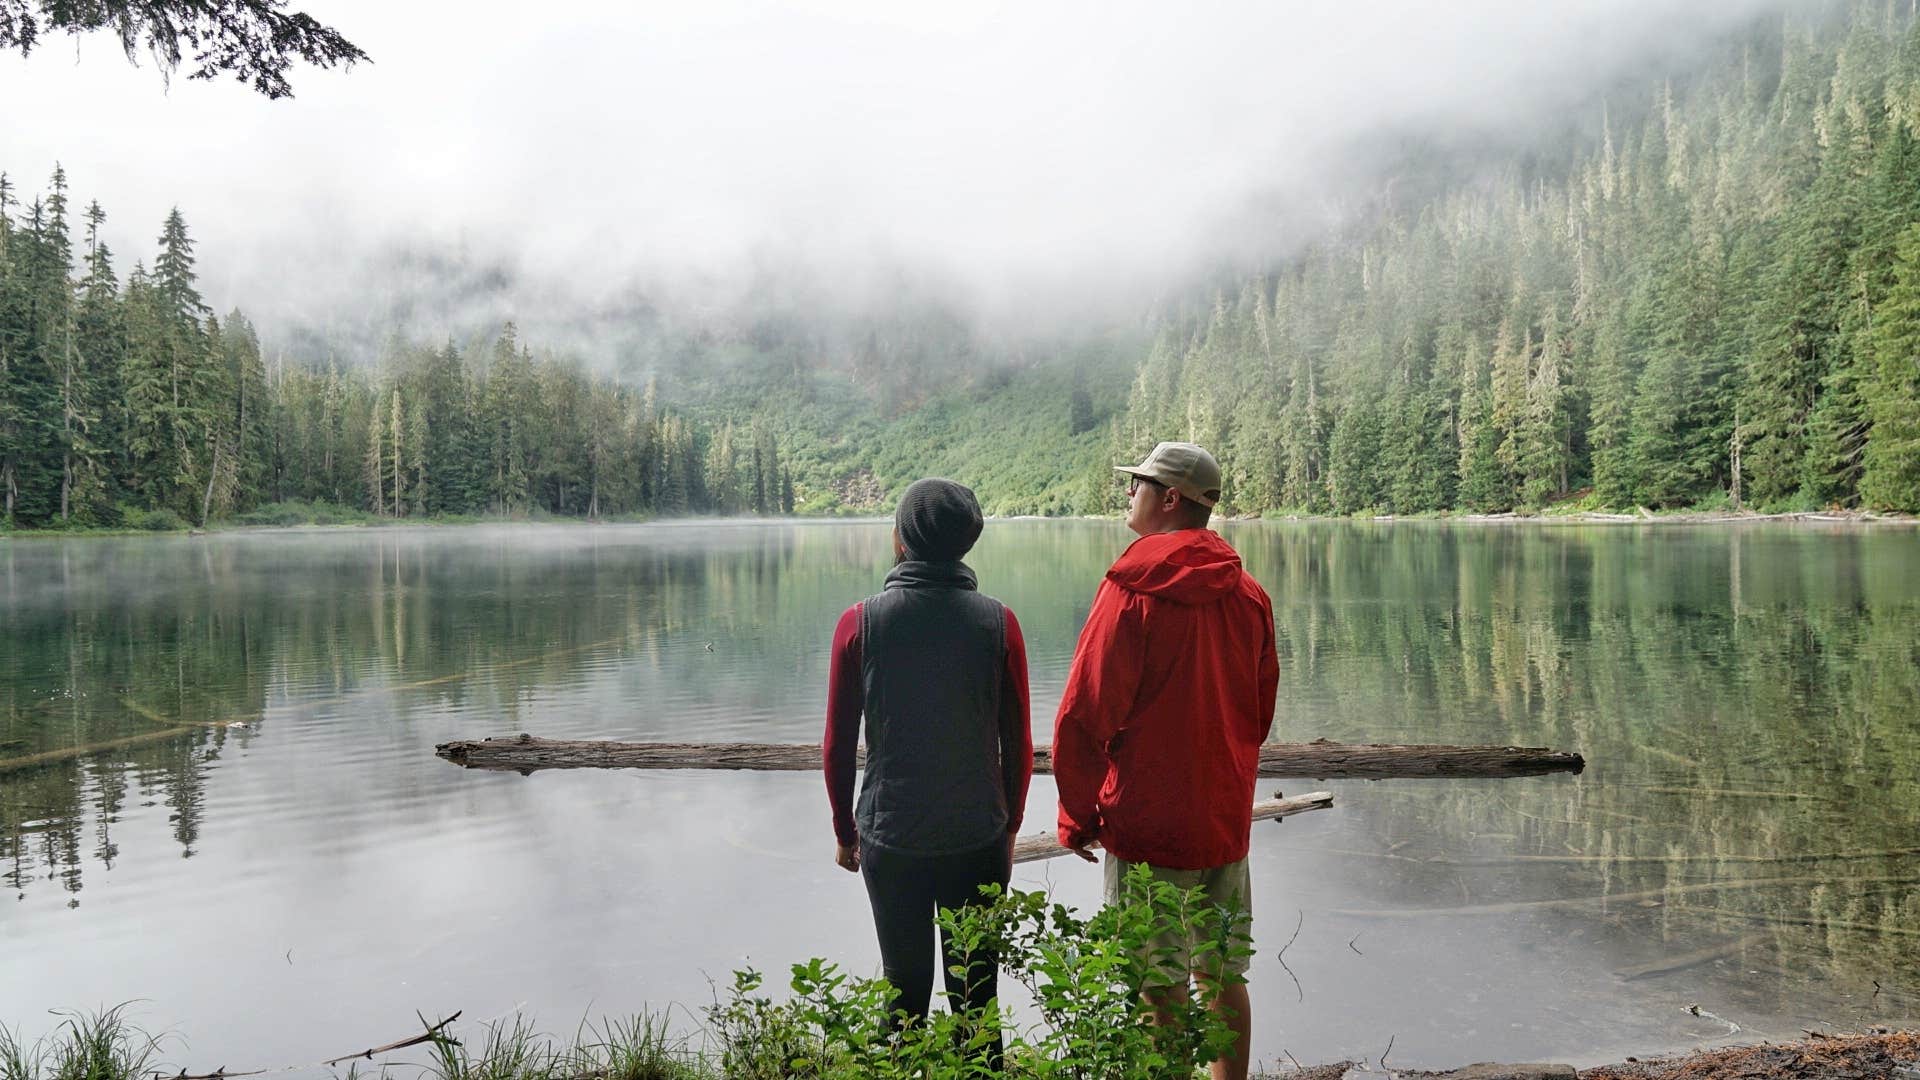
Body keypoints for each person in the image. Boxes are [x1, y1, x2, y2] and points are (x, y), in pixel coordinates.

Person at [1053, 441, 1278, 1080]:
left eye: (1139, 484)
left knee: (1158, 982)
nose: (1130, 493)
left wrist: (1077, 814)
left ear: (1170, 499)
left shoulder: (1130, 591)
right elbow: (1258, 716)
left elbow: (1082, 718)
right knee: (1221, 970)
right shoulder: (1250, 593)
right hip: (1223, 819)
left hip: (1149, 823)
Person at [823, 477, 1032, 1060]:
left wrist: (845, 830)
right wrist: (1009, 828)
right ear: (969, 542)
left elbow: (838, 745)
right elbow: (1018, 745)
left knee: (903, 994)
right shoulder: (1000, 624)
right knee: (976, 998)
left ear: (900, 539)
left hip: (891, 836)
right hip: (978, 836)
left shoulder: (858, 624)